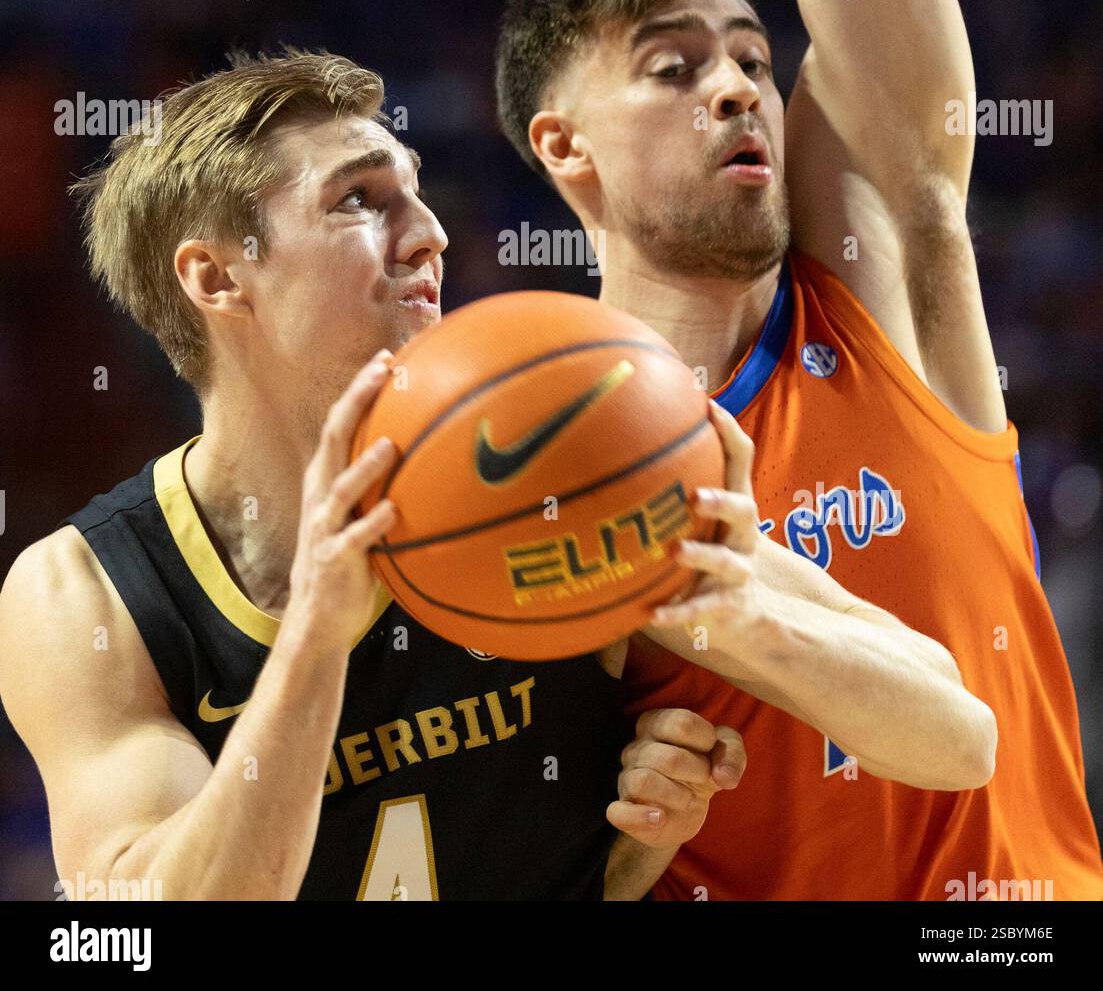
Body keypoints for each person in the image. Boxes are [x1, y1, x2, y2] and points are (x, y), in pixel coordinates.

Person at [1, 48, 991, 901]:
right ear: (217, 277)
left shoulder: (550, 468)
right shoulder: (86, 592)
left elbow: (956, 736)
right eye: (358, 200)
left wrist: (727, 610)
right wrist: (314, 640)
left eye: (416, 188)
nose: (429, 230)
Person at [493, 0, 1103, 901]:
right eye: (672, 67)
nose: (733, 87)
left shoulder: (885, 270)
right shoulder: (528, 471)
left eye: (750, 60)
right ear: (563, 150)